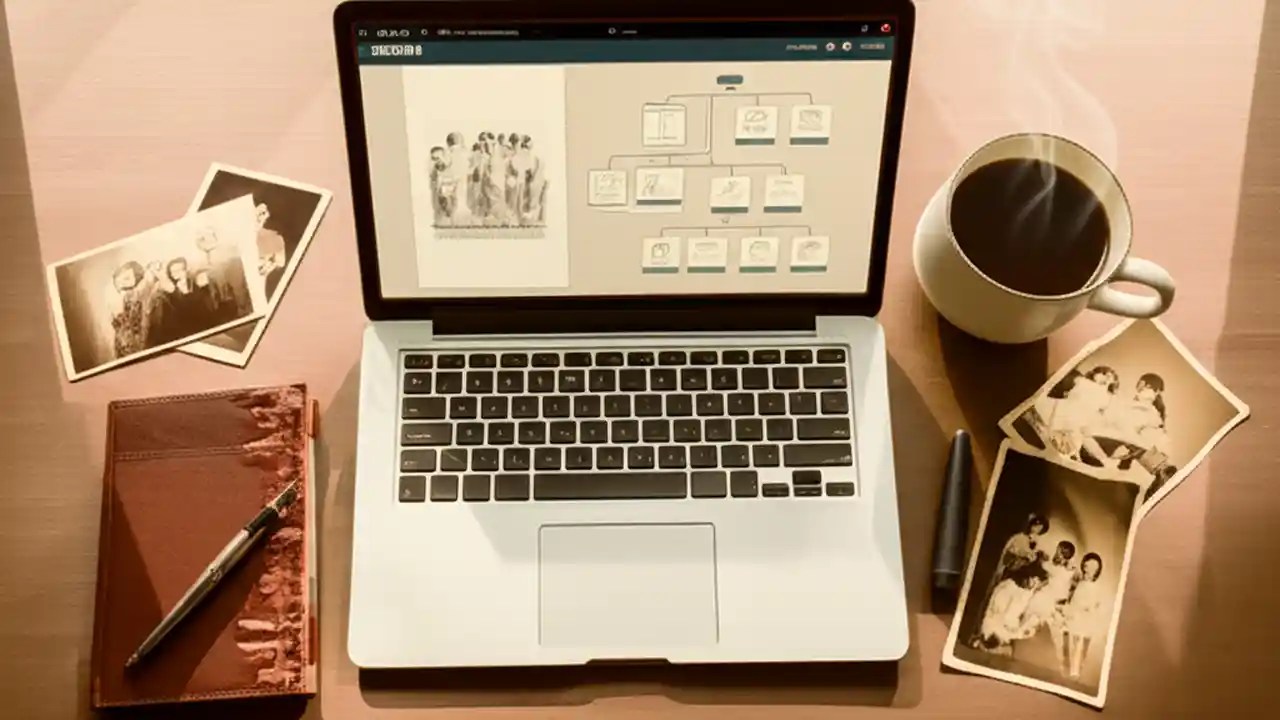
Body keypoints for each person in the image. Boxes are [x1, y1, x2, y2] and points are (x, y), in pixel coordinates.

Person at [1035, 365, 1119, 466]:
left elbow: (1101, 413)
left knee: (1074, 445)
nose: (1106, 377)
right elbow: (1060, 380)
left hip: (1075, 423)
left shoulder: (1106, 396)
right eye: (1104, 373)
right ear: (1095, 374)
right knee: (1061, 445)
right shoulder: (1082, 381)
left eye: (1110, 377)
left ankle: (1103, 461)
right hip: (1063, 417)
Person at [1025, 540, 1080, 676]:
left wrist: (1039, 555)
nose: (1059, 555)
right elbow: (1051, 577)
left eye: (1062, 553)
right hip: (1049, 600)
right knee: (1033, 621)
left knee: (1056, 636)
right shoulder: (1065, 570)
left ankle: (1063, 667)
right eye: (1059, 551)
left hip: (1053, 603)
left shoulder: (1063, 570)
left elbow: (1045, 565)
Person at [977, 563, 1049, 656]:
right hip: (1000, 621)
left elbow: (1017, 611)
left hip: (1004, 619)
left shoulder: (1022, 590)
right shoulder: (1008, 588)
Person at [1064, 552, 1106, 680]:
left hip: (1085, 620)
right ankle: (1070, 670)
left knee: (1081, 645)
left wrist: (1086, 608)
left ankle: (1076, 671)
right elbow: (1073, 599)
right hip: (1074, 617)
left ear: (1097, 571)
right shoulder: (1080, 584)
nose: (1088, 571)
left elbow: (1095, 605)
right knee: (1072, 643)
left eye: (1093, 568)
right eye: (1086, 567)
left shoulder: (1096, 587)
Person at [105, 261, 153, 359]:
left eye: (127, 279)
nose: (125, 293)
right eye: (121, 288)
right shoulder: (125, 305)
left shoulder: (152, 299)